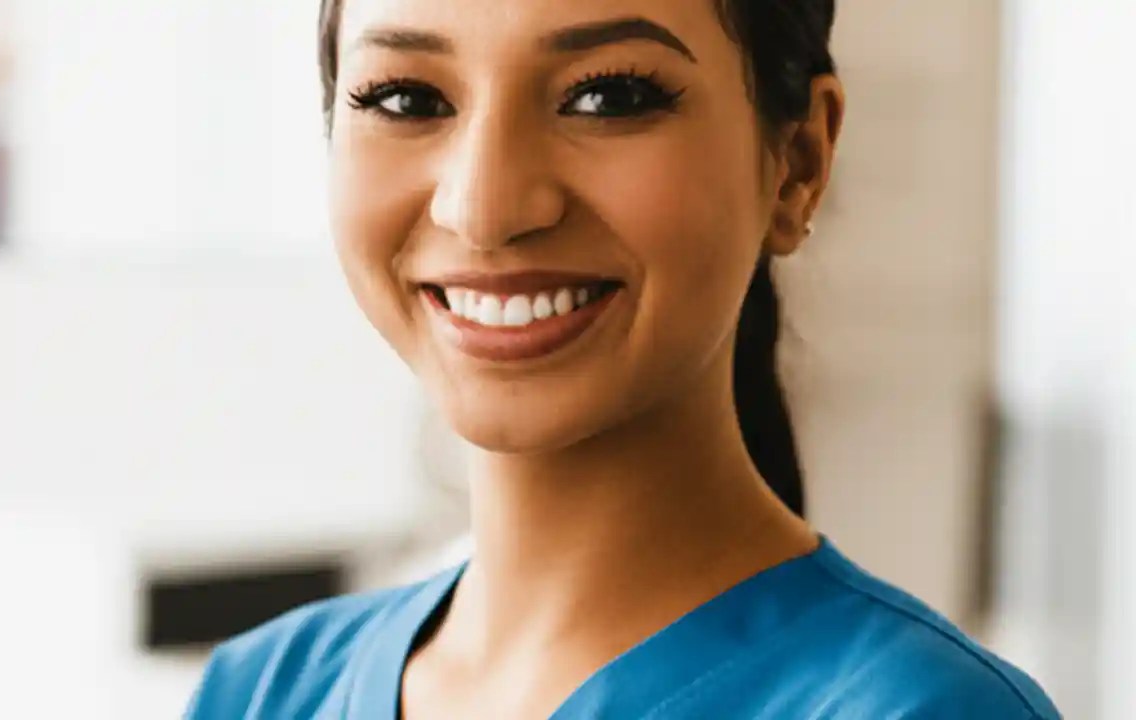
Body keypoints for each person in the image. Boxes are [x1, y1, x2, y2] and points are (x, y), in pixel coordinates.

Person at [187, 0, 1061, 717]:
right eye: (407, 99)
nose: (485, 206)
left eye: (607, 97)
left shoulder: (919, 710)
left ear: (798, 162)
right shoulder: (261, 692)